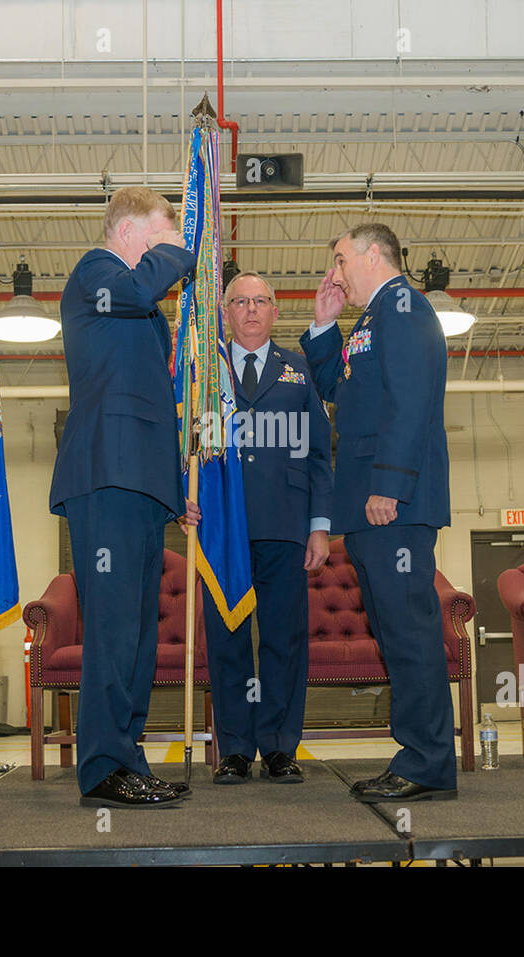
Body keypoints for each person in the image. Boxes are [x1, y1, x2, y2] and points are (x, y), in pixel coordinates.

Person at [49, 186, 200, 809]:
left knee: (136, 632)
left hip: (140, 484)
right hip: (106, 476)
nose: (174, 239)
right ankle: (103, 767)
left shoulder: (144, 311)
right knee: (113, 628)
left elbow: (155, 406)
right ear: (133, 228)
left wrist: (173, 490)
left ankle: (125, 757)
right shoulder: (98, 271)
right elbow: (140, 289)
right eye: (165, 228)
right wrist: (183, 250)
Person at [302, 224, 456, 802]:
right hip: (370, 503)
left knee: (411, 632)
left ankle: (427, 762)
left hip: (394, 501)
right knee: (395, 632)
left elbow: (412, 401)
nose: (335, 270)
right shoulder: (370, 321)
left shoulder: (404, 308)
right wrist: (323, 325)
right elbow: (339, 390)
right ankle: (419, 755)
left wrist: (389, 484)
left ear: (372, 255)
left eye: (340, 258)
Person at [204, 272, 332, 786]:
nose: (251, 310)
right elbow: (187, 445)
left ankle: (280, 747)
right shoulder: (204, 375)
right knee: (228, 639)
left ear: (276, 311)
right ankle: (234, 748)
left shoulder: (301, 371)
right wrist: (185, 501)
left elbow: (321, 455)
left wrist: (319, 527)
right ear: (226, 311)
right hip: (223, 529)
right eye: (240, 301)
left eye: (261, 301)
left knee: (283, 639)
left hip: (286, 526)